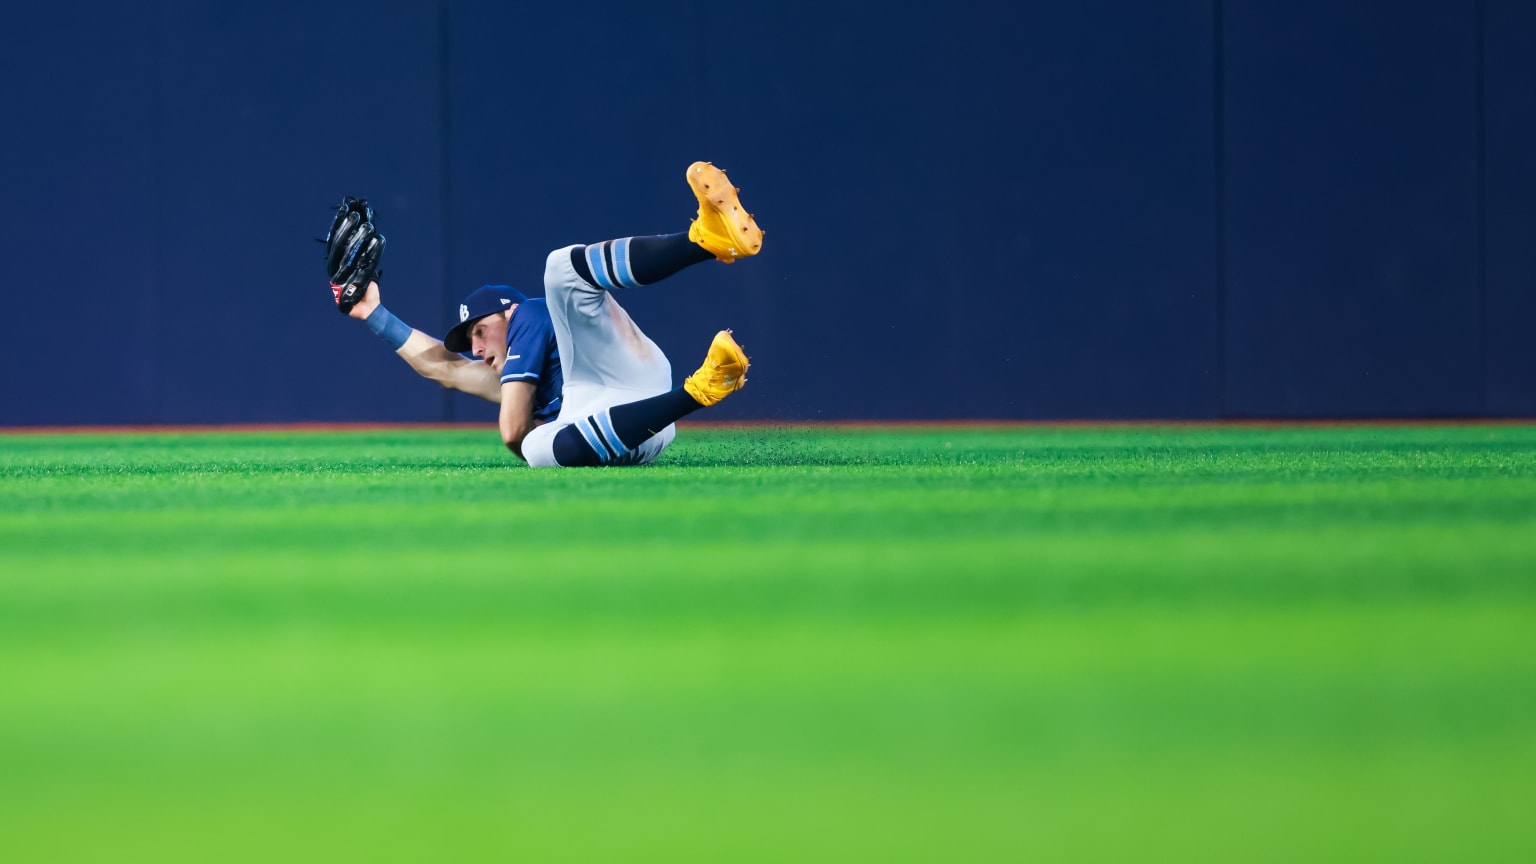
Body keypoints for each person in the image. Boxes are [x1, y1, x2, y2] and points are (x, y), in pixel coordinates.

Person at [338, 161, 762, 467]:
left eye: (481, 331)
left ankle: (705, 240)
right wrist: (374, 312)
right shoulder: (526, 371)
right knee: (540, 448)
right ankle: (703, 388)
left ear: (508, 312)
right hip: (632, 430)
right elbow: (444, 369)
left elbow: (510, 430)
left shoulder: (529, 318)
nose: (477, 347)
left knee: (559, 268)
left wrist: (523, 413)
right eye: (472, 342)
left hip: (625, 375)